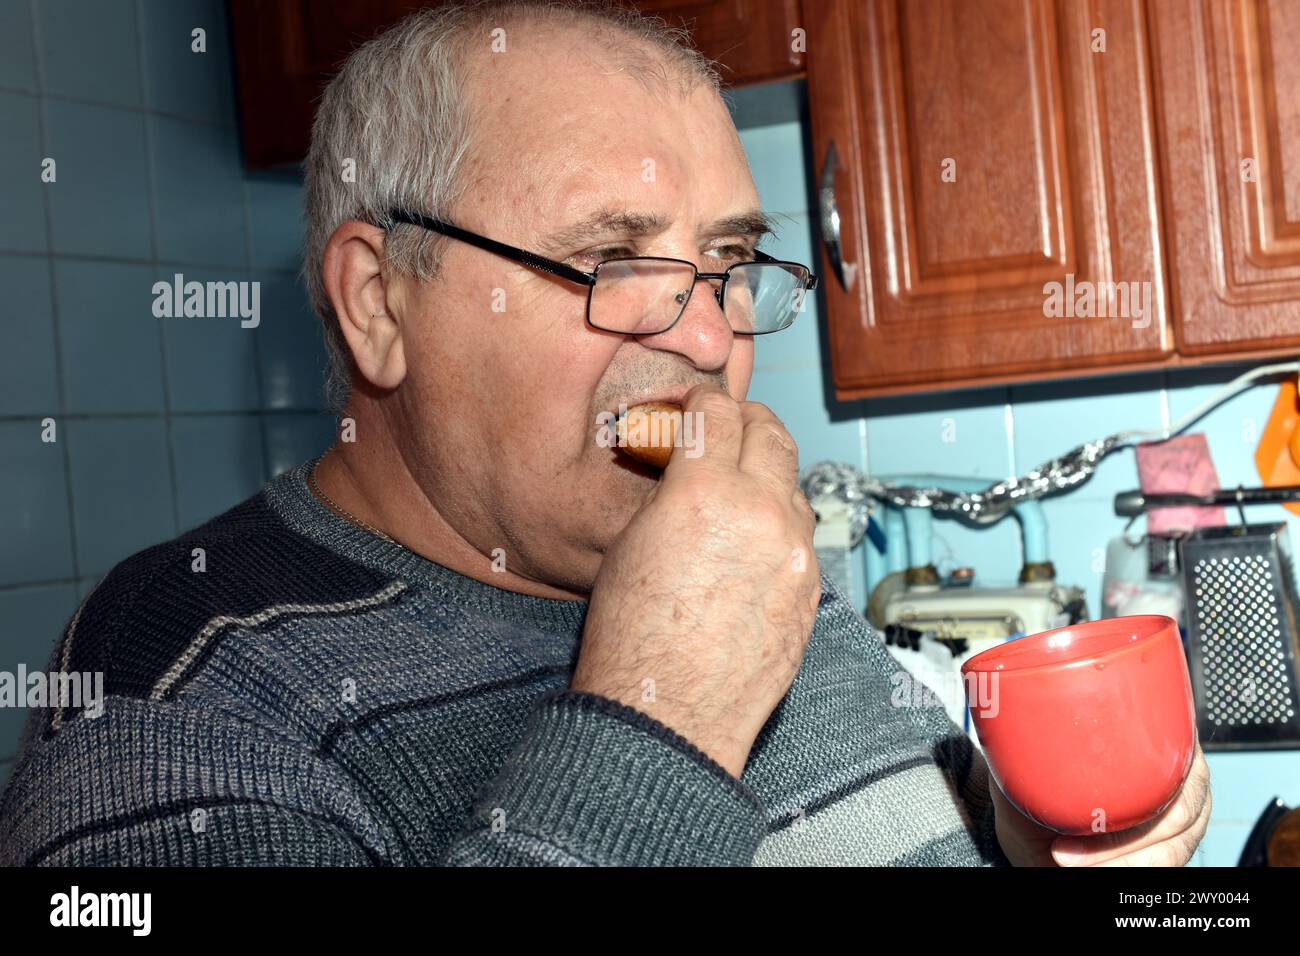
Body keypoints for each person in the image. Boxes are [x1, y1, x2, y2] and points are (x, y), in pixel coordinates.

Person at [0, 0, 1208, 866]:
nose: (705, 336)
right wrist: (661, 710)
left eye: (728, 261)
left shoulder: (732, 552)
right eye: (612, 260)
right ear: (379, 303)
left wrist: (1028, 836)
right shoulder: (167, 689)